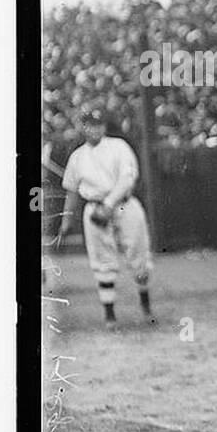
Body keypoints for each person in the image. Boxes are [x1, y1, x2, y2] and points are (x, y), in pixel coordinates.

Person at [56, 109, 154, 327]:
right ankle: (110, 316)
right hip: (94, 208)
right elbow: (71, 190)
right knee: (102, 261)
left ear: (104, 127)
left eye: (98, 125)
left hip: (123, 205)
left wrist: (109, 205)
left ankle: (146, 307)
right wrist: (66, 222)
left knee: (139, 256)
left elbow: (128, 179)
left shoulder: (119, 146)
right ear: (83, 127)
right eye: (90, 124)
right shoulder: (77, 156)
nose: (94, 129)